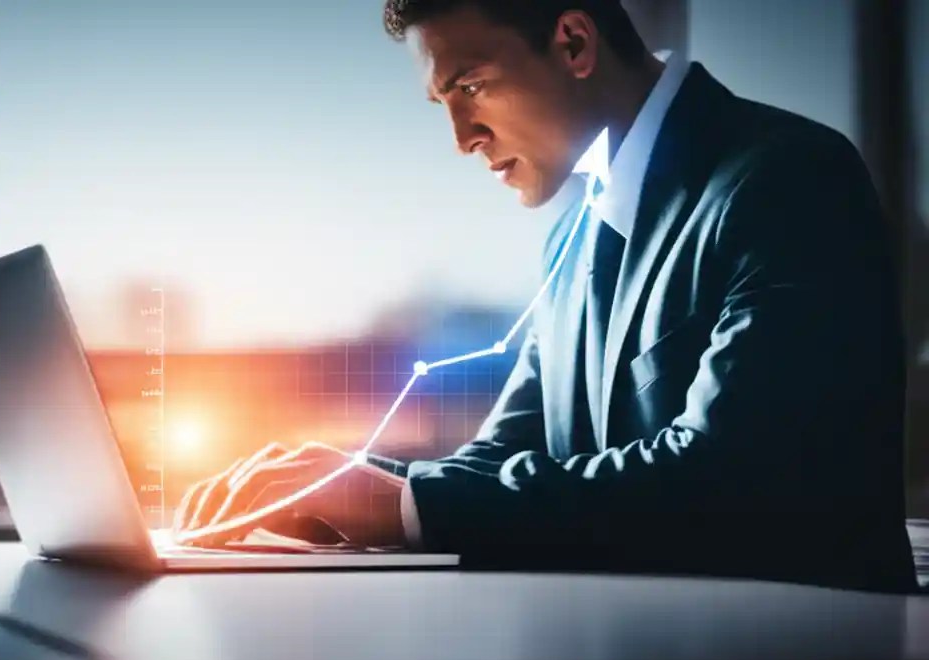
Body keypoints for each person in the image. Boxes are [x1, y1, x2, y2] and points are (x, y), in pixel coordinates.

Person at [173, 0, 917, 593]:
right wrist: (332, 488)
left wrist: (395, 504)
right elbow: (505, 459)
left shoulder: (786, 178)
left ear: (574, 44)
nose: (461, 137)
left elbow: (732, 480)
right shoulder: (574, 236)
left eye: (469, 86)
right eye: (442, 101)